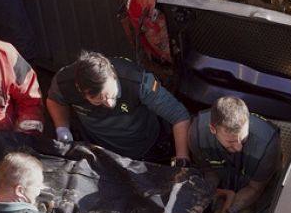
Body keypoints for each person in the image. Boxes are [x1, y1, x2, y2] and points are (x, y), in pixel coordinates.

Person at [46, 51, 191, 164]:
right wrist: (62, 129)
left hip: (148, 151)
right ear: (80, 91)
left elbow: (180, 116)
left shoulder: (138, 82)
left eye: (112, 95)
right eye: (99, 101)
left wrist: (182, 158)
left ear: (114, 76)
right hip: (100, 155)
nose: (110, 104)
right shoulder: (64, 83)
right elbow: (54, 100)